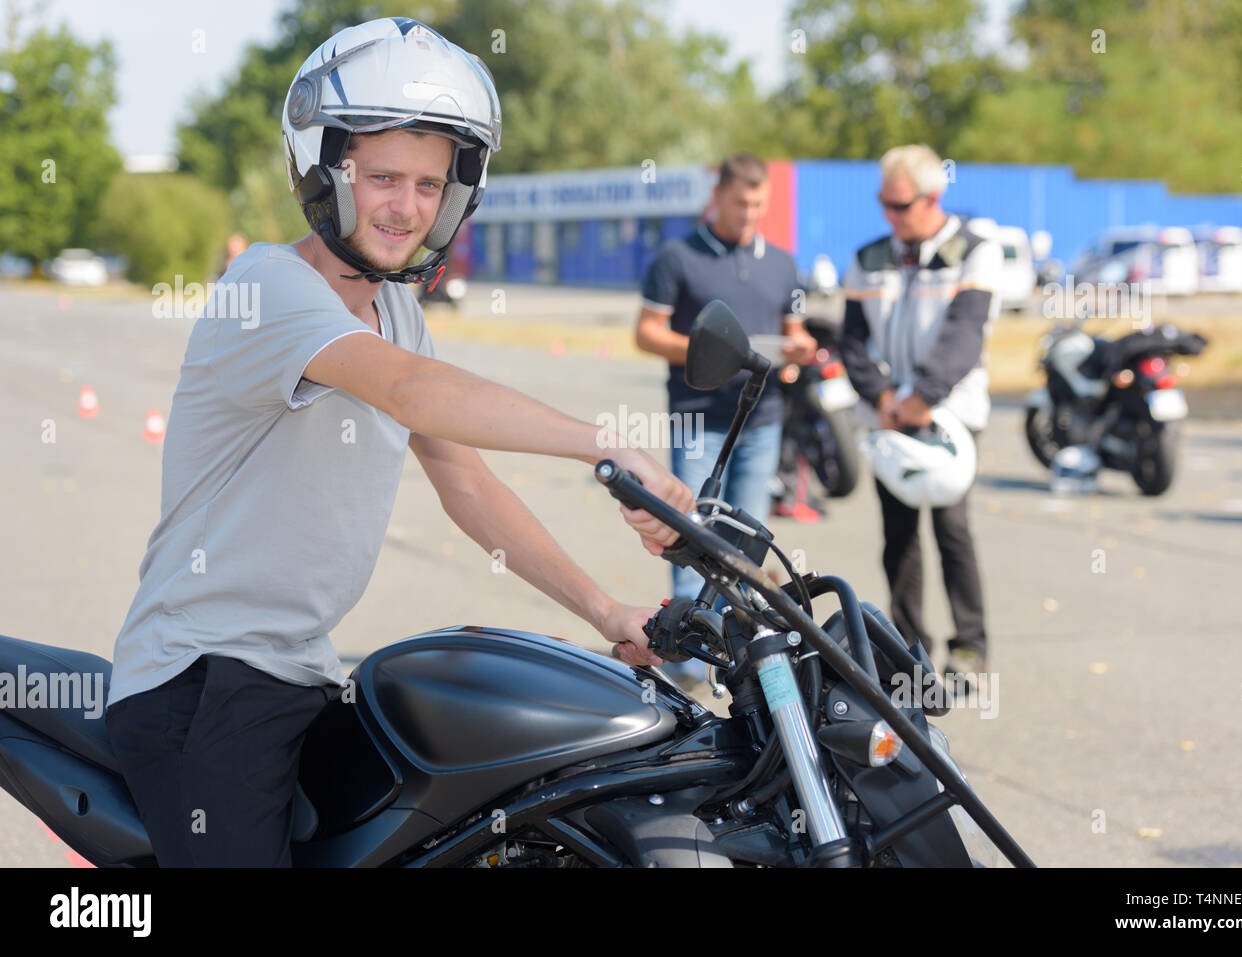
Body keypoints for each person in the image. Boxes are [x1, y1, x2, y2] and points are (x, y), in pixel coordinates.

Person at [102, 17, 693, 868]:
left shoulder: (399, 310)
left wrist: (608, 611)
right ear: (320, 169)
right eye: (381, 176)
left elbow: (466, 481)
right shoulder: (268, 286)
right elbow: (413, 392)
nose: (406, 206)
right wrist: (608, 445)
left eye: (428, 183)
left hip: (302, 673)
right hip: (203, 681)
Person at [634, 152, 815, 686]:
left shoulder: (783, 262)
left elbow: (795, 329)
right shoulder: (677, 257)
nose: (749, 214)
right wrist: (713, 350)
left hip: (762, 418)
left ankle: (738, 653)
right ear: (719, 196)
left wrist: (799, 348)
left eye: (759, 204)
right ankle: (688, 659)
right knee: (691, 536)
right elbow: (646, 332)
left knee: (745, 545)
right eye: (740, 203)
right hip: (698, 418)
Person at [838, 144, 1002, 684]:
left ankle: (971, 646)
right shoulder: (868, 258)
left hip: (950, 409)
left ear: (933, 198)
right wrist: (884, 397)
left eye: (900, 205)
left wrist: (921, 399)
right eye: (883, 203)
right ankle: (911, 650)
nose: (889, 215)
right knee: (898, 534)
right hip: (887, 412)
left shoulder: (974, 249)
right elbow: (853, 340)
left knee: (952, 526)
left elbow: (964, 335)